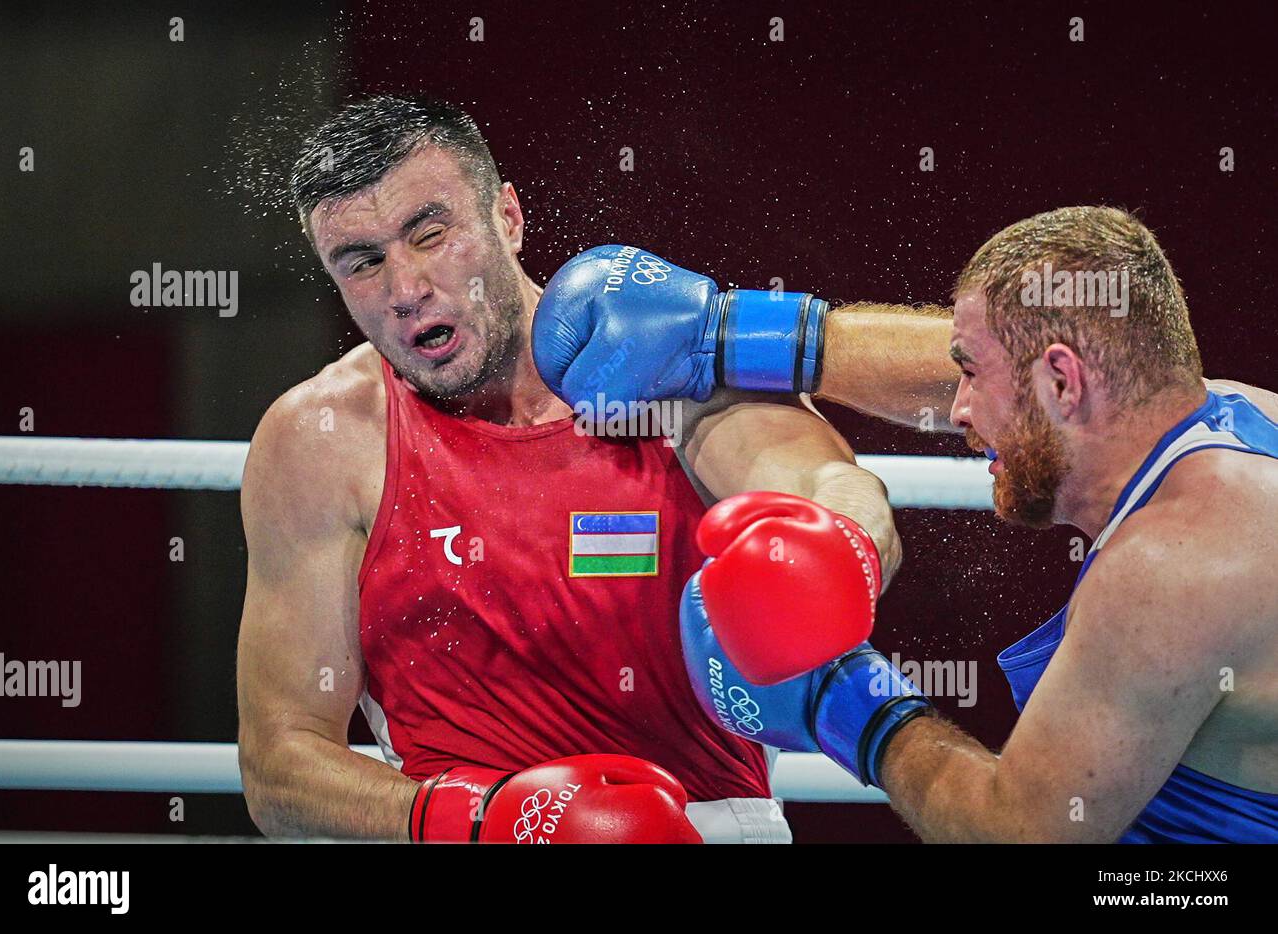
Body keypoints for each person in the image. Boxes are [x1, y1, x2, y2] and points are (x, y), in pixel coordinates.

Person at [235, 94, 901, 843]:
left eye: (430, 233)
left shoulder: (662, 364)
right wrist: (484, 823)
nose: (406, 288)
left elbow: (830, 491)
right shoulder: (322, 439)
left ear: (508, 219)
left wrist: (837, 547)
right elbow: (280, 766)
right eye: (363, 263)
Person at [534, 206, 1278, 842]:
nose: (953, 411)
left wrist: (841, 702)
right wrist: (726, 332)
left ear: (1061, 382)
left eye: (968, 373)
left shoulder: (1167, 569)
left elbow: (1020, 830)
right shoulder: (1235, 419)